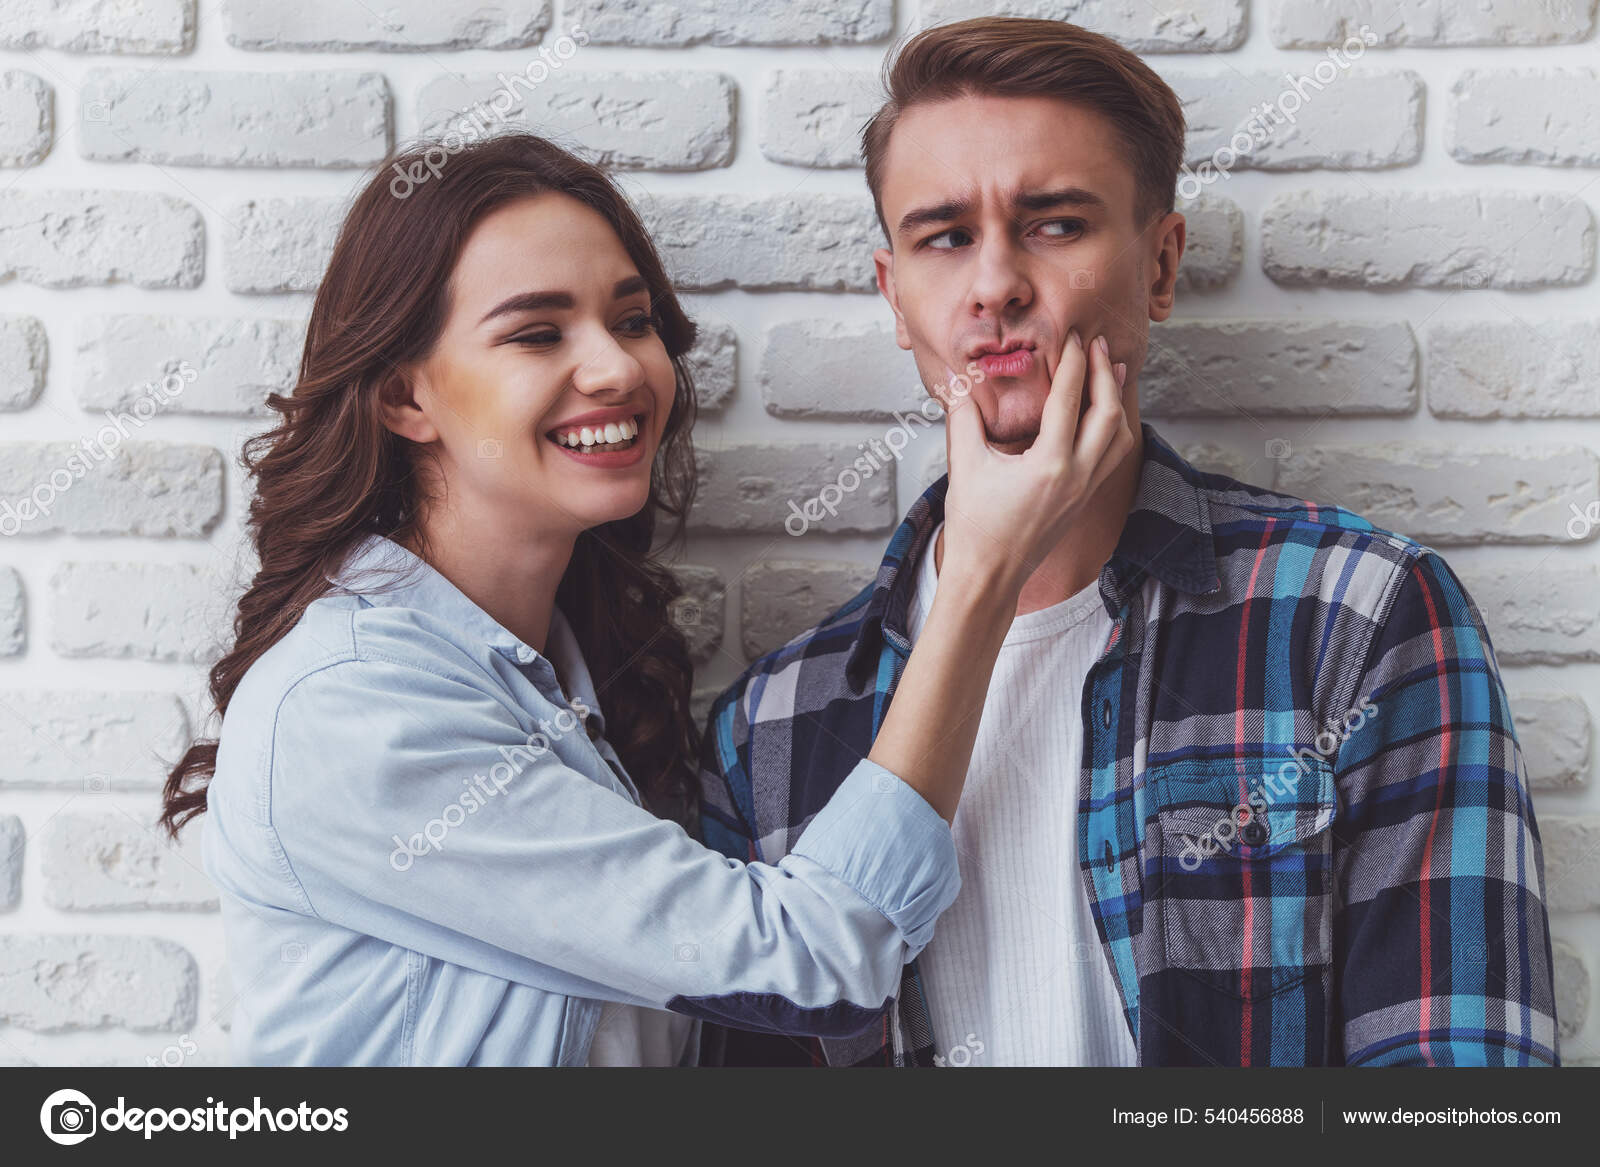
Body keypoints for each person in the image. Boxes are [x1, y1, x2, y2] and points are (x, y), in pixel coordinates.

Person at [160, 130, 1136, 1066]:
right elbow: (812, 966)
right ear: (403, 397)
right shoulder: (355, 704)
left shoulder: (557, 677)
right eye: (537, 333)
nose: (619, 368)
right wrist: (979, 574)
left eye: (632, 321)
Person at [696, 16, 1558, 1067]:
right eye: (944, 237)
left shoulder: (1360, 619)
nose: (994, 285)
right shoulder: (775, 725)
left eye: (1054, 224)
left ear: (1159, 265)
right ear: (894, 296)